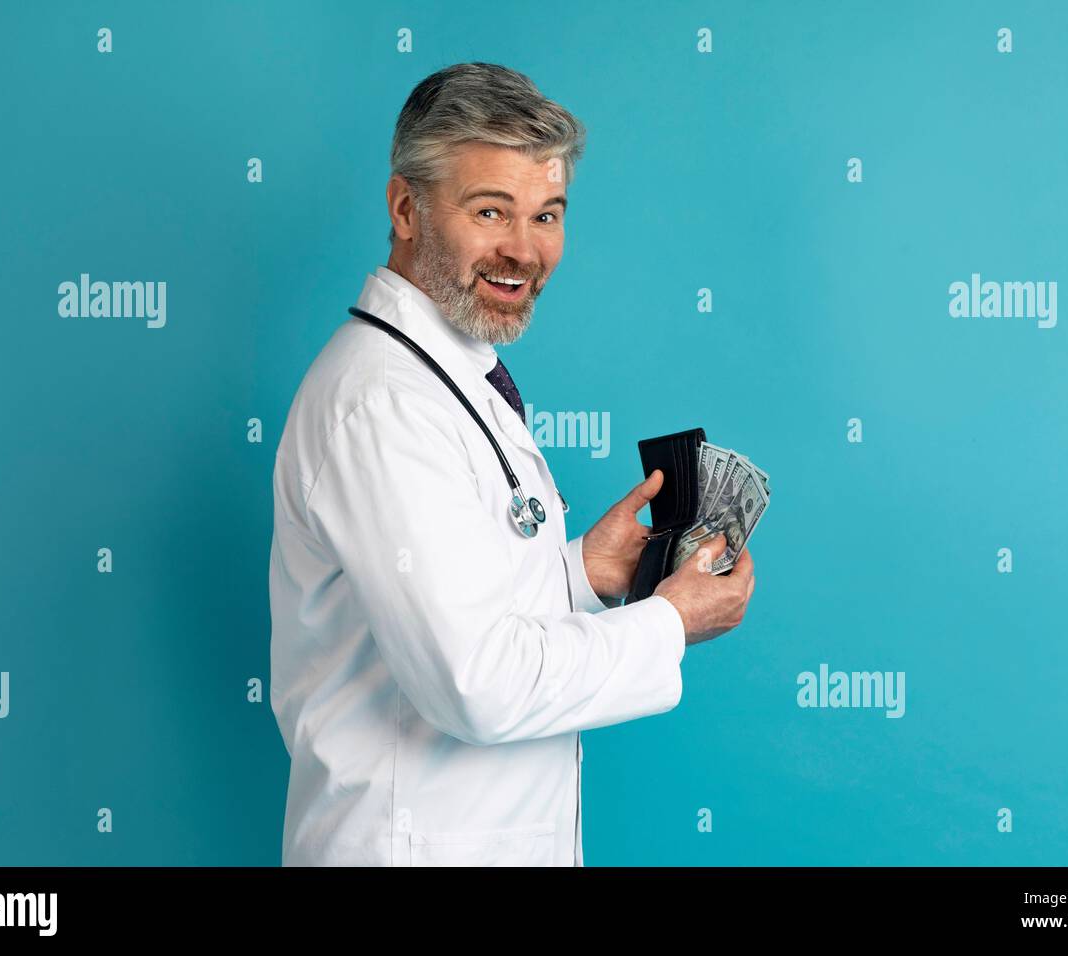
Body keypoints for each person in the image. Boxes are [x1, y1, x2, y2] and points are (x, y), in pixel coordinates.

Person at [268, 62, 755, 866]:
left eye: (547, 215)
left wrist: (581, 575)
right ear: (405, 209)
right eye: (490, 210)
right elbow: (477, 684)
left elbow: (450, 608)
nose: (523, 251)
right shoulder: (384, 404)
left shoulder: (451, 372)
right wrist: (670, 620)